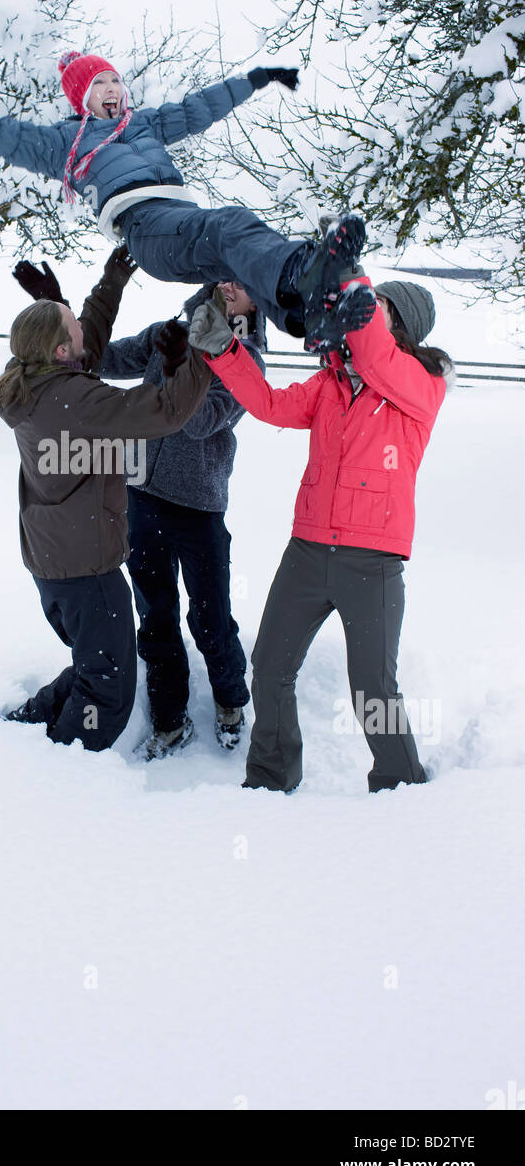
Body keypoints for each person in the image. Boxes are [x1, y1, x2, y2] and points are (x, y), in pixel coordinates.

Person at [0, 30, 371, 352]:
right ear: (80, 98)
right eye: (98, 84)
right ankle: (305, 271)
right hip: (147, 228)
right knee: (230, 223)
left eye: (114, 80)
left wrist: (257, 78)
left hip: (177, 225)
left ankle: (309, 319)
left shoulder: (144, 123)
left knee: (240, 255)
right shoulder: (62, 144)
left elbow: (197, 109)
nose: (111, 88)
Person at [189, 271, 452, 793]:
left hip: (372, 562)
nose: (360, 318)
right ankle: (268, 780)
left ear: (400, 328)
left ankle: (401, 785)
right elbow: (268, 404)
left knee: (373, 689)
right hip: (308, 550)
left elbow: (375, 355)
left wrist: (348, 272)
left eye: (376, 309)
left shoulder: (420, 387)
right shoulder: (330, 385)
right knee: (268, 666)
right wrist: (224, 349)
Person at [15, 259, 266, 760]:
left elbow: (195, 423)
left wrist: (186, 364)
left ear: (259, 303)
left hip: (198, 510)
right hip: (140, 502)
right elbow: (99, 358)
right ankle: (170, 720)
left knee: (212, 619)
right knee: (154, 618)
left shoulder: (248, 361)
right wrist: (57, 314)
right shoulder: (167, 333)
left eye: (245, 281)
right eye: (225, 275)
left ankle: (231, 702)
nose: (231, 282)